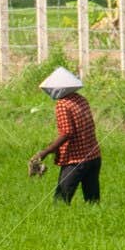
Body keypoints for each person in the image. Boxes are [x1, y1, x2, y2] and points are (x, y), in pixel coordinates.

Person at [32, 67, 101, 205]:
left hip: (76, 160)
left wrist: (45, 152)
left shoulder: (63, 104)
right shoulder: (81, 100)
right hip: (94, 157)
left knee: (60, 201)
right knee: (93, 201)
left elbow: (67, 132)